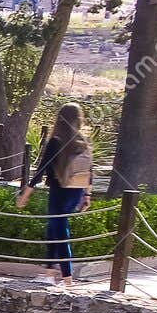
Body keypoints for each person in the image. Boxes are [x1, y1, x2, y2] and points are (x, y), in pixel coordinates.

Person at [17, 101, 93, 284]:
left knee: (60, 234)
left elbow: (40, 170)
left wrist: (25, 195)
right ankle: (49, 274)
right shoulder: (82, 141)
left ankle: (67, 279)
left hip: (59, 192)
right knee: (53, 230)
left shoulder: (56, 141)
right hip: (76, 192)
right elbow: (91, 170)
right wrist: (87, 195)